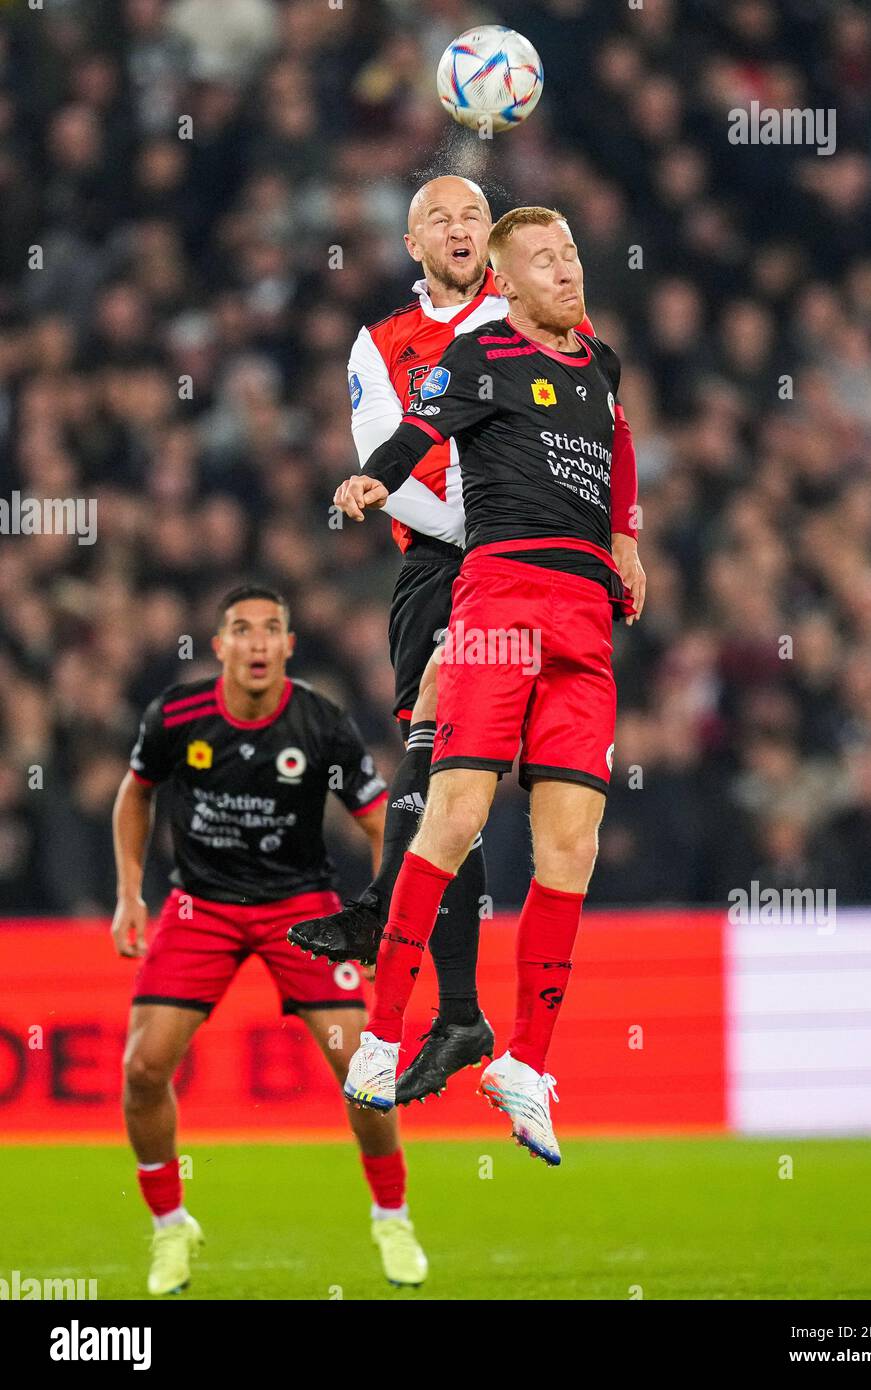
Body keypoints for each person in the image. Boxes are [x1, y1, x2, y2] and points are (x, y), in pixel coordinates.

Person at [288, 176, 645, 1110]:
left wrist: (623, 535)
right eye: (438, 217)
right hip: (466, 566)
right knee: (449, 793)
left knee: (558, 830)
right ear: (417, 244)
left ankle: (496, 1039)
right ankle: (416, 1015)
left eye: (473, 214)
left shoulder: (573, 344)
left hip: (567, 598)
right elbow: (398, 438)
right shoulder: (403, 346)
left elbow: (614, 437)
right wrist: (438, 502)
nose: (457, 226)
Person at [111, 584, 427, 1293]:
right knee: (141, 1069)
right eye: (241, 630)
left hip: (300, 906)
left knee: (364, 1076)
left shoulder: (322, 724)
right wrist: (131, 893)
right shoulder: (177, 716)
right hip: (201, 908)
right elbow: (135, 793)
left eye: (271, 630)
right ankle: (170, 1228)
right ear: (219, 646)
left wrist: (379, 917)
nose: (257, 642)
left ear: (289, 646)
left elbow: (381, 824)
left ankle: (391, 1214)